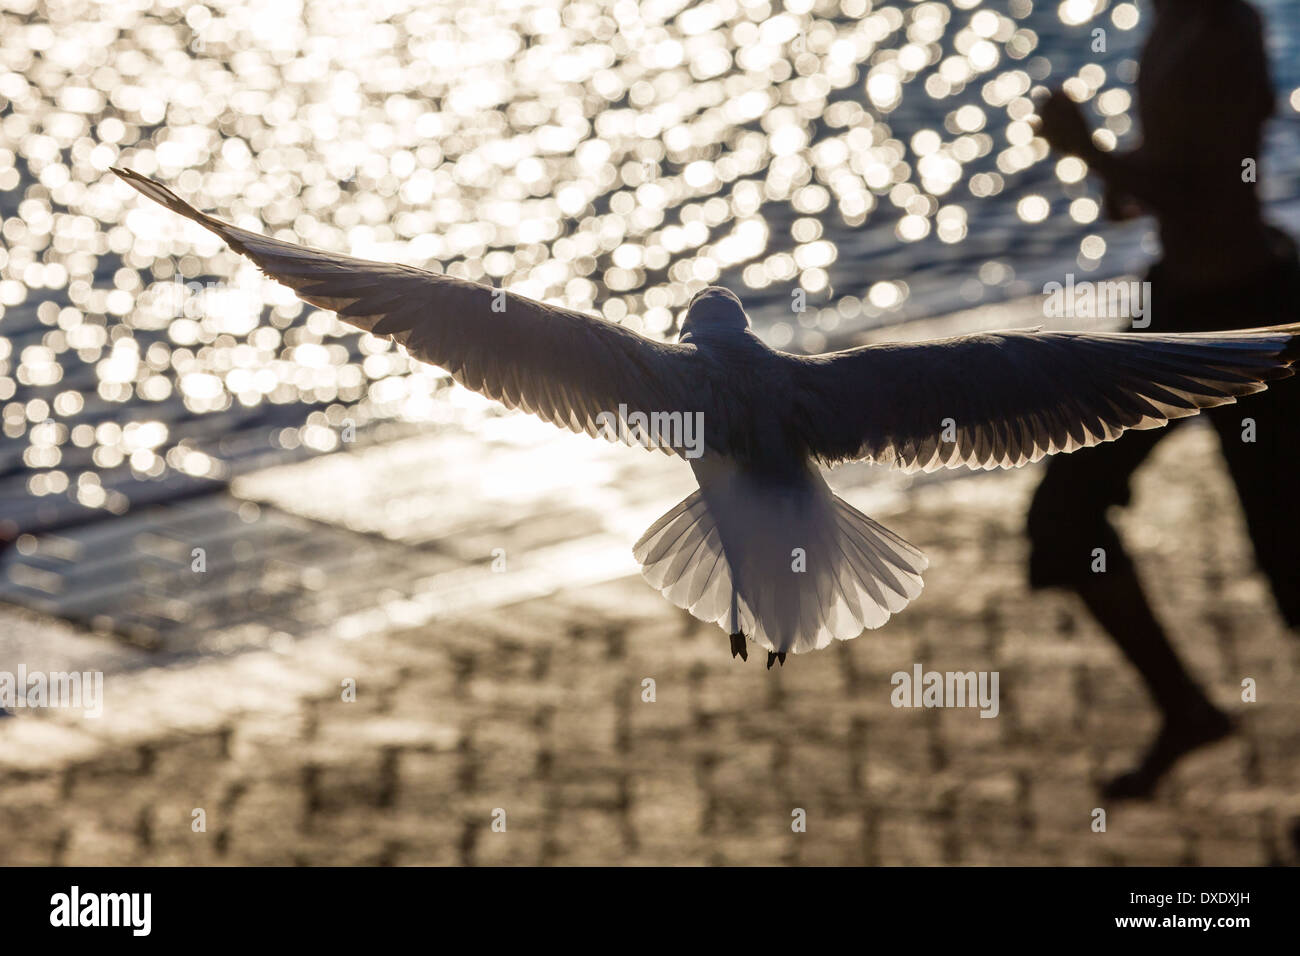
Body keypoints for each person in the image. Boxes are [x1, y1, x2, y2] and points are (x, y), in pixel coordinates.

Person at [1029, 0, 1300, 798]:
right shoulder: (1173, 16)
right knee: (1065, 513)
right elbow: (1174, 169)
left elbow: (1209, 186)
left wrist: (1094, 154)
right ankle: (1184, 708)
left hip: (1253, 310)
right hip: (1173, 305)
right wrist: (1115, 174)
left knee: (1293, 556)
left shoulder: (1224, 28)